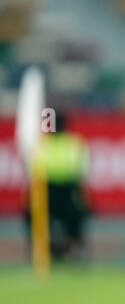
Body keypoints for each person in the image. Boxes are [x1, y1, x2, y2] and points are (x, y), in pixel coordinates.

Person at [25, 110, 89, 261]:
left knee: (78, 214)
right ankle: (54, 246)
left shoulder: (44, 144)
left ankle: (70, 246)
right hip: (55, 191)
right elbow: (83, 171)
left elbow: (32, 170)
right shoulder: (73, 143)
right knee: (32, 213)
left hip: (61, 191)